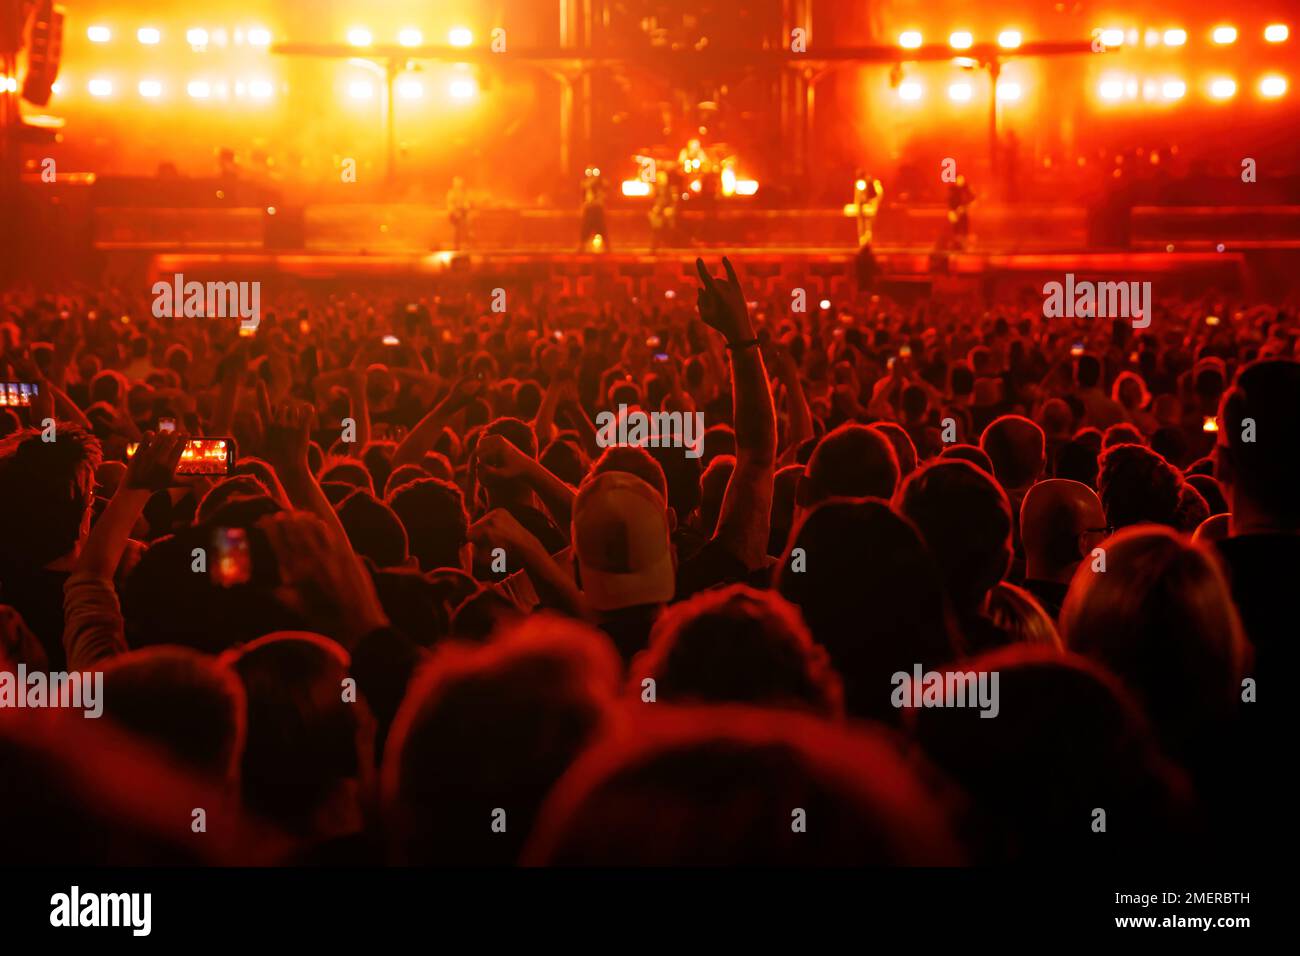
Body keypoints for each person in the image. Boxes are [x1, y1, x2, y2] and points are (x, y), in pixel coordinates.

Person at [1019, 478, 1109, 622]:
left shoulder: (1008, 616)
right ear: (1083, 544)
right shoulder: (1092, 630)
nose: (1107, 541)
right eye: (1104, 532)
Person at [578, 167, 609, 251]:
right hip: (589, 208)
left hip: (597, 208)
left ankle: (607, 247)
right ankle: (582, 246)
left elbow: (605, 191)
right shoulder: (586, 183)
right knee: (586, 228)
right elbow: (583, 195)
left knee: (602, 228)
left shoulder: (600, 182)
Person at [853, 169, 884, 247]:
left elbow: (878, 195)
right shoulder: (861, 183)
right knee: (862, 224)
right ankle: (863, 242)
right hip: (863, 207)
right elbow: (858, 195)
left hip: (870, 206)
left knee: (868, 224)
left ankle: (868, 242)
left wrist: (873, 202)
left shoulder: (872, 183)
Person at [446, 176, 470, 250]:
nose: (459, 185)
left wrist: (465, 207)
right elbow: (450, 204)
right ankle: (456, 245)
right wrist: (455, 212)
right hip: (454, 215)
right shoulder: (451, 193)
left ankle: (465, 243)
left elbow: (466, 203)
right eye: (457, 183)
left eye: (460, 183)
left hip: (462, 213)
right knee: (456, 229)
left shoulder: (463, 193)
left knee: (465, 226)